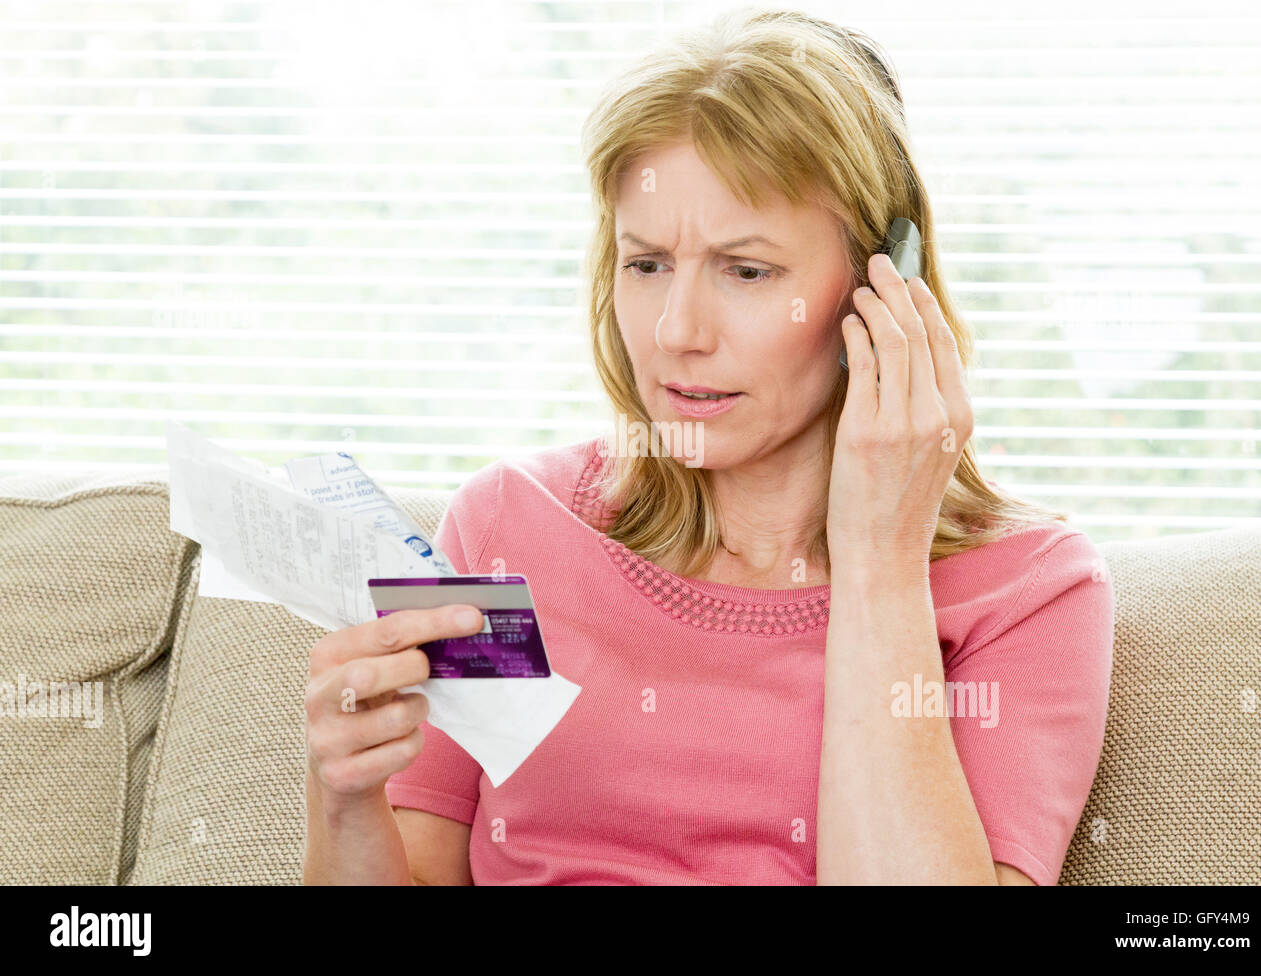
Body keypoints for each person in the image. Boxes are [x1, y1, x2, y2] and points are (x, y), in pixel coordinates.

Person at [302, 7, 1114, 886]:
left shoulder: (1031, 594)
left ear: (885, 291)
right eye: (646, 264)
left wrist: (881, 557)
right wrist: (344, 801)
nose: (678, 332)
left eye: (748, 270)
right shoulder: (506, 528)